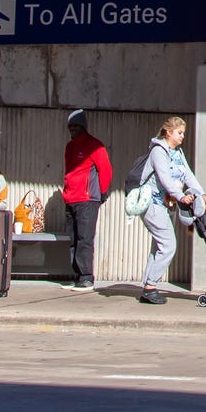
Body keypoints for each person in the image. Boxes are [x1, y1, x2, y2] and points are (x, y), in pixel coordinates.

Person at [139, 114, 206, 305]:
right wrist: (180, 196)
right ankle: (150, 286)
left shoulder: (178, 153)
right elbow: (164, 179)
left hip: (165, 206)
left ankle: (148, 287)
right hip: (152, 204)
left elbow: (188, 176)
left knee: (159, 247)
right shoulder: (158, 152)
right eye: (179, 133)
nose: (182, 137)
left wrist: (201, 195)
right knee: (169, 246)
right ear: (168, 132)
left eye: (183, 133)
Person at [60, 108, 112, 292]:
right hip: (71, 198)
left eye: (76, 125)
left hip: (87, 200)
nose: (73, 128)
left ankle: (87, 277)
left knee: (85, 239)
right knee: (73, 239)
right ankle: (78, 276)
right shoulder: (70, 146)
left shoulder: (94, 145)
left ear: (84, 126)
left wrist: (102, 193)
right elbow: (70, 172)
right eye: (70, 125)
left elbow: (106, 170)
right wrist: (66, 194)